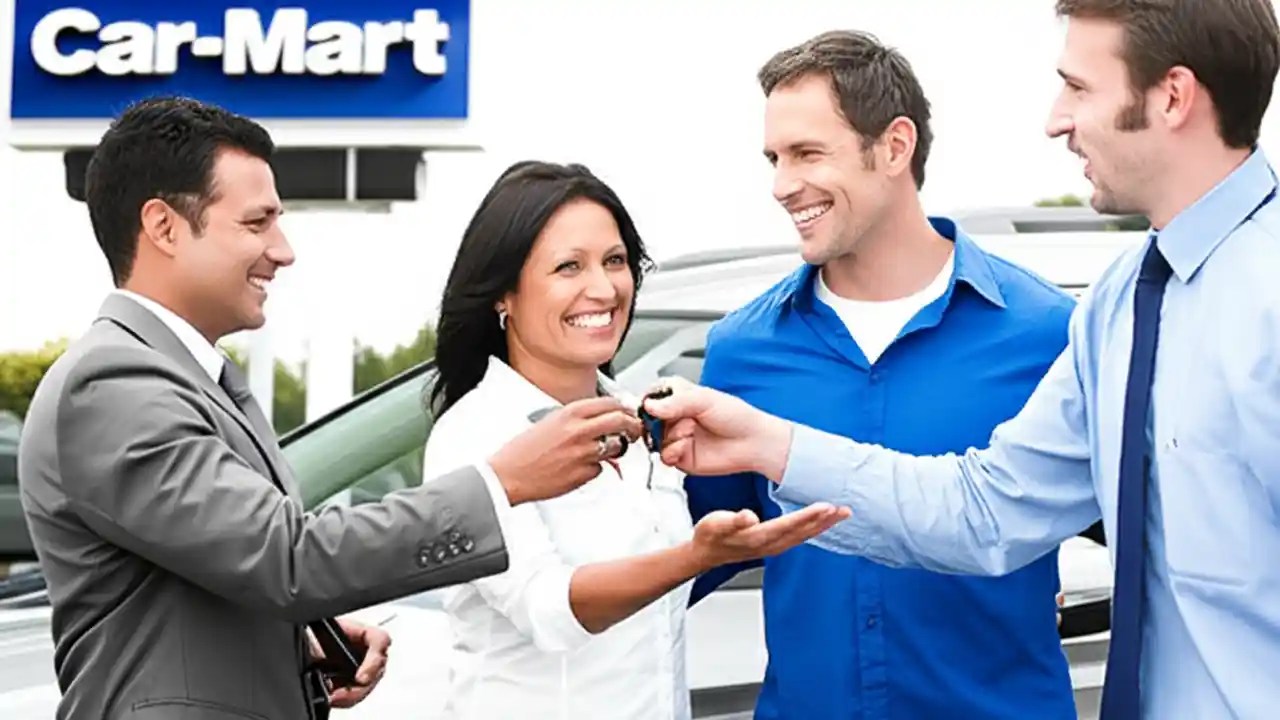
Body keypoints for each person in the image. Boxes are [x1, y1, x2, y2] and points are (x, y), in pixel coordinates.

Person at [644, 2, 1280, 718]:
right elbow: (987, 511)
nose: (1056, 119)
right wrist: (770, 443)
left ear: (1172, 96)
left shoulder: (1246, 300)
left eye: (1078, 87)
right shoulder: (1118, 307)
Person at [16, 97, 648, 720]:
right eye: (257, 224)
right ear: (163, 227)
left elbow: (218, 571)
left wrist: (298, 642)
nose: (282, 250)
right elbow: (286, 557)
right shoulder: (114, 382)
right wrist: (500, 483)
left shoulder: (186, 377)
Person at [682, 30, 1078, 720]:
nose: (782, 185)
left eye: (808, 153)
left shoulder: (1050, 333)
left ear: (895, 147)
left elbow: (1148, 545)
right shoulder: (741, 351)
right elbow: (689, 561)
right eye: (774, 158)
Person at [419, 160, 848, 720]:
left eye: (615, 261)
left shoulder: (644, 421)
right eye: (569, 267)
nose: (603, 289)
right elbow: (548, 611)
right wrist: (695, 558)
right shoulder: (474, 434)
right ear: (503, 294)